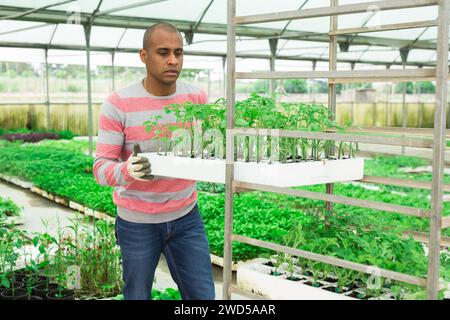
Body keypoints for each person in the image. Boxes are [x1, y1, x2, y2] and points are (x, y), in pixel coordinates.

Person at [93, 22, 215, 300]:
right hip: (137, 223)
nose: (173, 60)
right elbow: (100, 169)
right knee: (137, 295)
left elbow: (208, 148)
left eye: (179, 52)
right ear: (144, 56)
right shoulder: (119, 103)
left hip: (186, 216)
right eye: (163, 52)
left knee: (203, 296)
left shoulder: (196, 98)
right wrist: (128, 169)